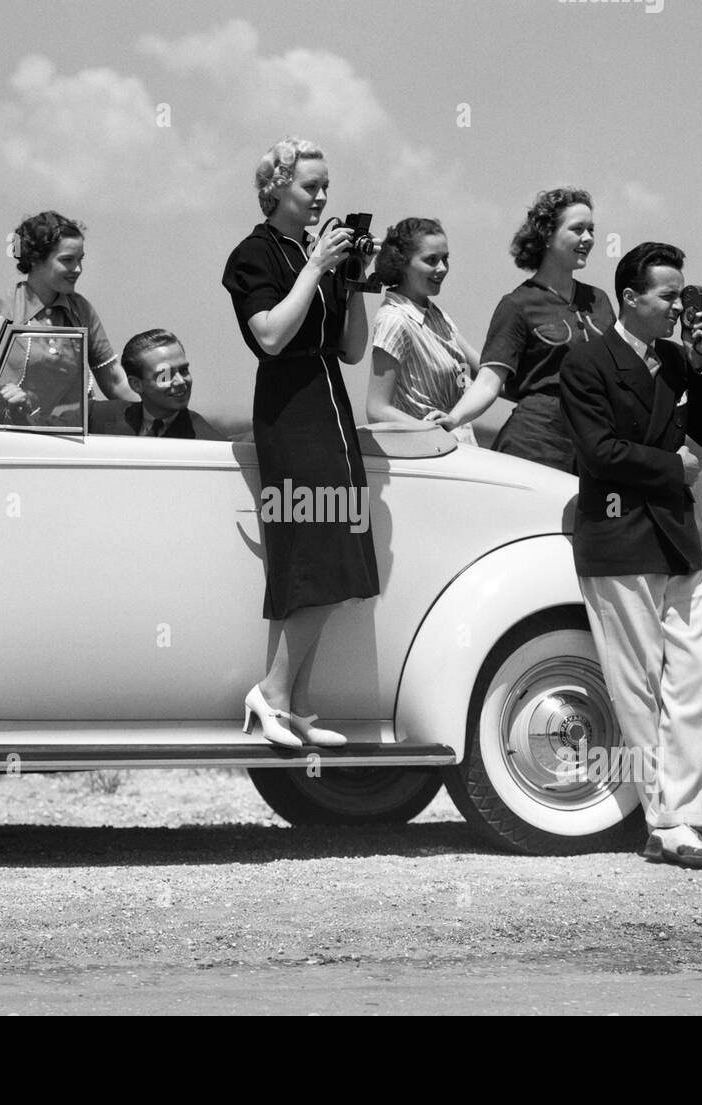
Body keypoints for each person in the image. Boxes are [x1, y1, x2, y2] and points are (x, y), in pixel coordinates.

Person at [558, 241, 702, 869]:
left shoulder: (681, 361)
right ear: (630, 299)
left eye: (683, 293)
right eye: (668, 294)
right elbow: (598, 454)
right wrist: (673, 468)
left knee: (693, 679)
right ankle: (667, 820)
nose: (679, 304)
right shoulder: (586, 362)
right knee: (635, 687)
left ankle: (682, 816)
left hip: (676, 541)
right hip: (620, 538)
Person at [221, 136, 380, 749]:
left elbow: (351, 349)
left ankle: (295, 704)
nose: (320, 197)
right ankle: (273, 693)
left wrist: (356, 283)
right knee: (317, 557)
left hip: (330, 406)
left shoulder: (318, 253)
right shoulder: (254, 254)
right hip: (292, 412)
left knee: (331, 558)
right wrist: (315, 270)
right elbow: (270, 336)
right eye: (310, 186)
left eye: (325, 188)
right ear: (276, 188)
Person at [440, 188, 615, 467]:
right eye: (578, 229)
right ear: (547, 234)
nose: (588, 239)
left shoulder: (600, 301)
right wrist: (453, 418)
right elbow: (489, 381)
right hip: (533, 446)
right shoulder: (517, 305)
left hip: (593, 447)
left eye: (591, 230)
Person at [0, 210, 138, 410]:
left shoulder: (81, 310)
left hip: (69, 434)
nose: (78, 269)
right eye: (67, 260)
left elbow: (115, 381)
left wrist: (166, 418)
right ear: (36, 259)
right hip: (4, 434)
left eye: (80, 259)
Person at [367, 218, 480, 445]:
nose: (442, 268)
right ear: (402, 263)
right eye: (431, 260)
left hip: (461, 450)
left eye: (445, 259)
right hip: (429, 454)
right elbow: (377, 409)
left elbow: (485, 372)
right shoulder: (395, 320)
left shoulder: (435, 314)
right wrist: (434, 431)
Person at [88, 329, 224, 440]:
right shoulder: (95, 416)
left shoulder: (207, 442)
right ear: (136, 384)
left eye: (183, 370)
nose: (181, 381)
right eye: (166, 375)